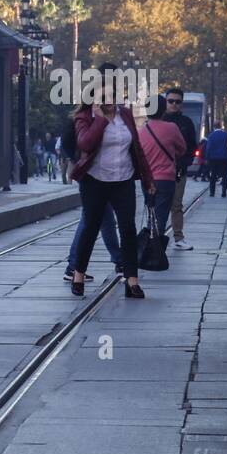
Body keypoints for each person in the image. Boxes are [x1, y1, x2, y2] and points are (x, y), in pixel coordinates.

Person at [69, 72, 155, 299]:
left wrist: (148, 180)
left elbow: (136, 148)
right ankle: (79, 275)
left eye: (113, 94)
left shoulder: (125, 114)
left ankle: (132, 281)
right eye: (105, 94)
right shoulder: (85, 116)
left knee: (127, 229)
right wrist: (100, 119)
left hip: (123, 180)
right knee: (90, 227)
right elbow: (85, 143)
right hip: (94, 181)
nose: (110, 98)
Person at [60, 104, 122, 283]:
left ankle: (118, 259)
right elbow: (67, 142)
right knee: (90, 219)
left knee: (104, 219)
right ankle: (73, 266)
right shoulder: (82, 117)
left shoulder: (111, 115)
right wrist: (79, 160)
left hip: (105, 176)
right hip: (92, 176)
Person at [141, 97, 187, 245]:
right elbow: (182, 149)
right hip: (165, 179)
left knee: (151, 212)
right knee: (161, 215)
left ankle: (150, 244)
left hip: (147, 179)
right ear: (163, 110)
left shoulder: (141, 131)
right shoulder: (171, 128)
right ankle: (155, 249)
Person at [158, 88, 197, 249]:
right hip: (160, 170)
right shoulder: (158, 120)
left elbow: (191, 146)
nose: (174, 104)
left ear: (182, 104)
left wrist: (184, 163)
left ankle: (178, 237)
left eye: (178, 101)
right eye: (171, 101)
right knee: (158, 205)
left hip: (178, 170)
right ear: (165, 102)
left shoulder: (186, 122)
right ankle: (156, 238)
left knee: (177, 205)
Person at [204, 123, 227, 197]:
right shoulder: (226, 135)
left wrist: (206, 157)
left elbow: (208, 148)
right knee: (224, 175)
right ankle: (224, 192)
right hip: (224, 157)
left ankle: (212, 192)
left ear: (214, 127)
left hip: (213, 158)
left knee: (213, 175)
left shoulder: (211, 135)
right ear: (221, 126)